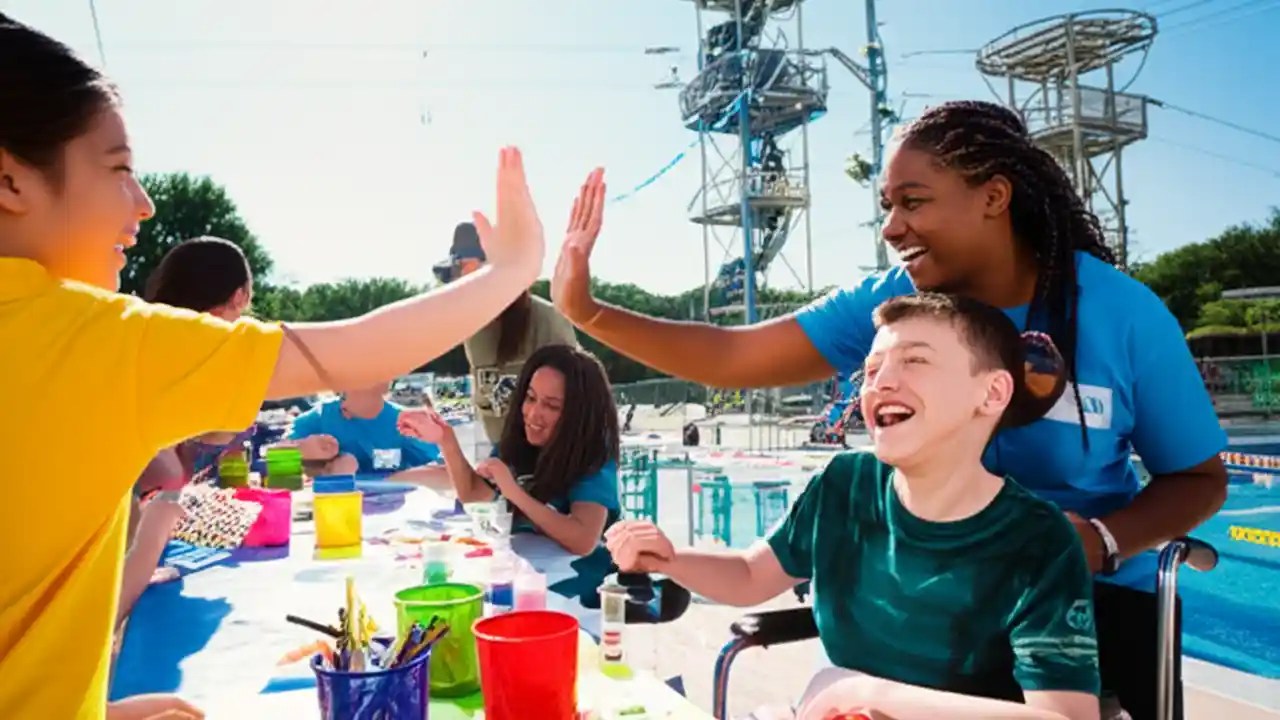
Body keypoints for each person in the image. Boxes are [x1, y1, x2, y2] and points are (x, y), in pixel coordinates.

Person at [554, 101, 1227, 719]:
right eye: (887, 205)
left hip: (1081, 592)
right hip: (931, 592)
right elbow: (734, 356)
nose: (891, 227)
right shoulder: (897, 312)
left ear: (994, 197)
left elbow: (1198, 479)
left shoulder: (1121, 315)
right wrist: (587, 312)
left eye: (914, 201)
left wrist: (1101, 542)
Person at [0, 13, 546, 719]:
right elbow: (356, 347)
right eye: (118, 170)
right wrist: (511, 270)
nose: (145, 202)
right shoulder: (97, 341)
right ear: (10, 180)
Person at [608, 293, 1099, 720]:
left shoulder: (1039, 541)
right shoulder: (845, 485)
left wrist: (868, 692)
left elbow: (1066, 716)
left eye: (915, 360)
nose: (880, 383)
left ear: (991, 393)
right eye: (872, 369)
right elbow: (752, 575)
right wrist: (668, 559)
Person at [117, 237, 264, 627]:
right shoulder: (151, 370)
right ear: (239, 298)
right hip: (111, 602)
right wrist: (151, 540)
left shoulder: (142, 351)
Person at [399, 343, 621, 556]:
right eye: (530, 397)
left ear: (580, 415)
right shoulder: (519, 444)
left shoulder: (594, 459)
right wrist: (446, 438)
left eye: (552, 406)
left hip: (580, 579)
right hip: (525, 570)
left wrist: (514, 492)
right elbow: (474, 496)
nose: (533, 413)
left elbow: (583, 540)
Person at [436, 218, 580, 448]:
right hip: (504, 454)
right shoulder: (472, 328)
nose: (459, 281)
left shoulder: (547, 320)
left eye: (464, 269)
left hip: (557, 455)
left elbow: (577, 400)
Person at [276, 381, 441, 477]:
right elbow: (278, 468)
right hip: (334, 506)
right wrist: (303, 451)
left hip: (390, 512)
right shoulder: (321, 417)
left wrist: (391, 480)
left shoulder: (405, 422)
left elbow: (440, 471)